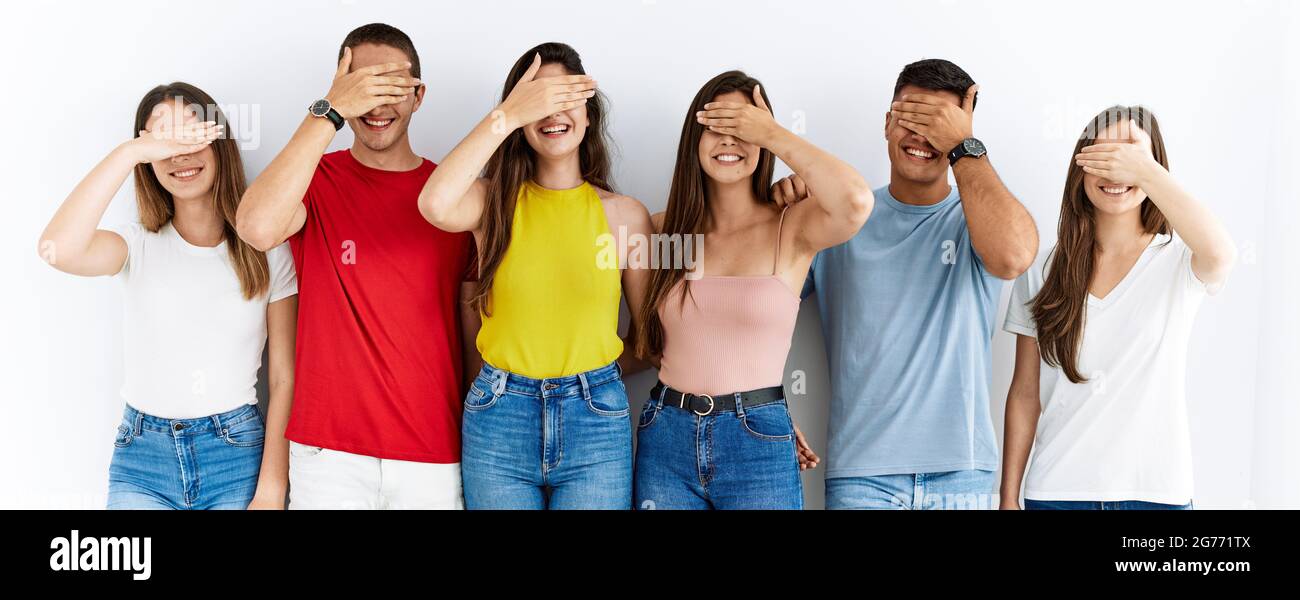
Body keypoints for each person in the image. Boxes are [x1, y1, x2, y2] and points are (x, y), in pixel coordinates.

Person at [237, 23, 475, 509]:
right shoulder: (315, 182)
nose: (376, 104)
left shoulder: (454, 200)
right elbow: (256, 228)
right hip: (327, 456)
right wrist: (328, 110)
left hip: (433, 453)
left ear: (418, 95)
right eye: (362, 87)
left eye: (390, 86)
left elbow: (473, 331)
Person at [38, 82, 298, 510]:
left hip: (236, 456)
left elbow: (284, 379)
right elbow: (58, 249)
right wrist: (130, 152)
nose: (180, 153)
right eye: (163, 139)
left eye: (191, 134)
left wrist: (271, 489)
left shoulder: (268, 250)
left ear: (219, 141)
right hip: (142, 459)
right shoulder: (136, 245)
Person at [419, 42, 654, 510]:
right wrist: (506, 114)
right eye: (536, 101)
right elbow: (434, 204)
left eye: (565, 99)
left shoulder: (623, 218)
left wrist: (590, 377)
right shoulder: (491, 204)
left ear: (588, 114)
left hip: (596, 420)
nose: (552, 113)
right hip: (498, 417)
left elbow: (649, 341)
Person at [796, 58, 1038, 509]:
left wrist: (965, 145)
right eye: (911, 118)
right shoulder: (842, 220)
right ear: (888, 123)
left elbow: (1014, 257)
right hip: (863, 475)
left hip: (963, 473)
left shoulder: (977, 220)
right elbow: (761, 307)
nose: (923, 137)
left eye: (940, 125)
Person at [631, 71, 871, 509]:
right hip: (666, 434)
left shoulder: (792, 224)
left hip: (757, 440)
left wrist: (773, 134)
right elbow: (649, 344)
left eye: (742, 129)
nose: (729, 141)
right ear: (694, 140)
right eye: (717, 128)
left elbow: (855, 200)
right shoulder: (667, 230)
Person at [1000, 107, 1236, 510]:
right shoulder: (1043, 268)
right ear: (1081, 165)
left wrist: (1145, 170)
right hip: (1057, 494)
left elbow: (1221, 253)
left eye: (1131, 155)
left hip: (1157, 495)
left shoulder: (1180, 261)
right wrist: (1008, 499)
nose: (1115, 169)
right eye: (1103, 154)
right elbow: (1024, 393)